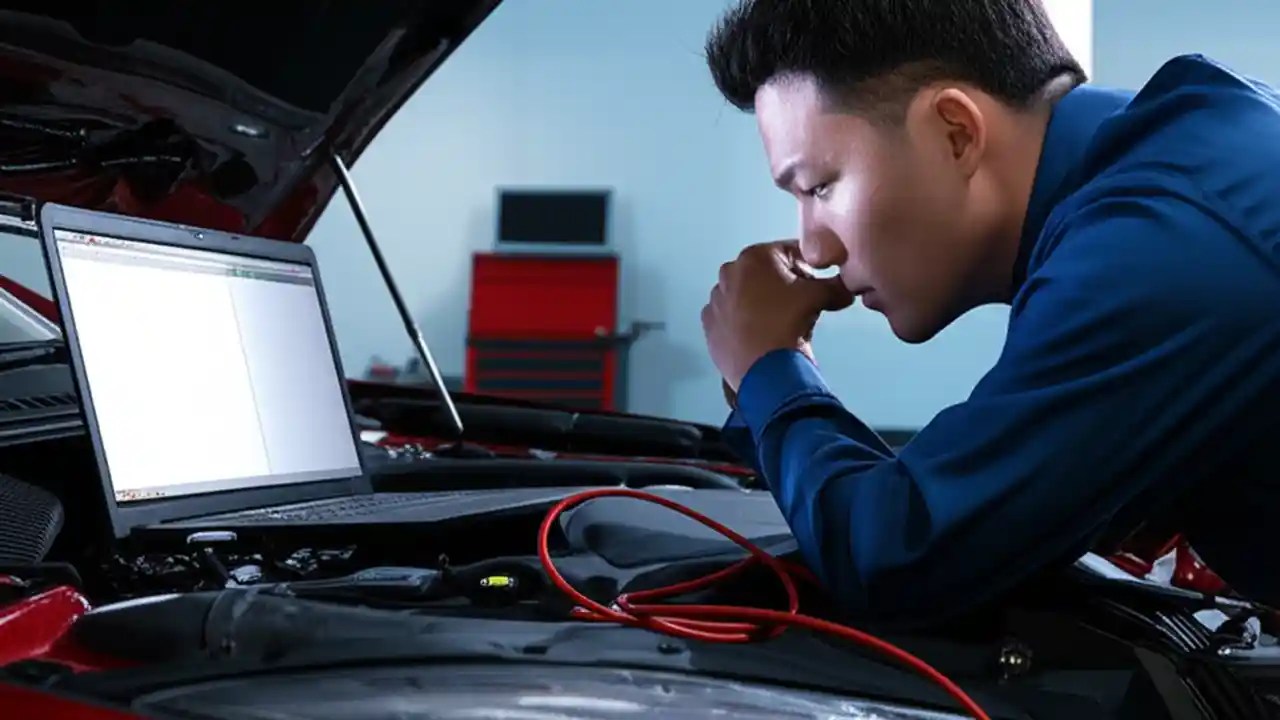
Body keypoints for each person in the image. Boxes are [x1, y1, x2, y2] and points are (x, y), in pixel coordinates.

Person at [699, 0, 1280, 624]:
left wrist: (770, 367)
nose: (814, 246)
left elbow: (899, 558)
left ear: (956, 131)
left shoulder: (1161, 246)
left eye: (819, 186)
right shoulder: (1190, 152)